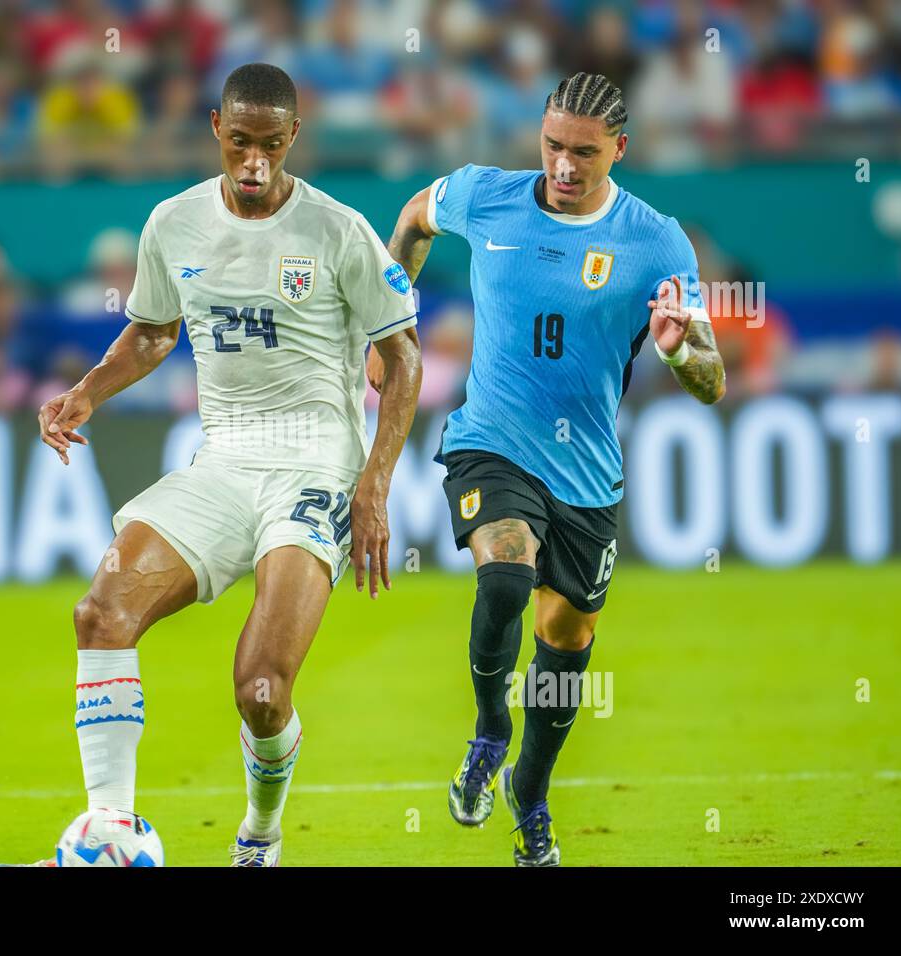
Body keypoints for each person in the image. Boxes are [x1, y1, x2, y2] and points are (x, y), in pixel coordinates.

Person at [36, 63, 422, 867]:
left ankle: (261, 831)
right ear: (216, 128)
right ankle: (109, 833)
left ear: (293, 139)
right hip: (222, 460)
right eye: (240, 143)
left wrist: (375, 479)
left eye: (271, 146)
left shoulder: (338, 230)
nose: (253, 163)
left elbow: (404, 357)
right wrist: (86, 392)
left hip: (316, 463)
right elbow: (151, 333)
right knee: (99, 613)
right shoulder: (174, 224)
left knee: (261, 691)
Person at [369, 72, 726, 867]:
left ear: (620, 151)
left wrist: (680, 349)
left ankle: (530, 794)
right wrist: (389, 324)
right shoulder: (484, 195)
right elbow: (412, 220)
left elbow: (712, 383)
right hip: (491, 440)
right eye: (553, 145)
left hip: (588, 477)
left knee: (564, 653)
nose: (564, 166)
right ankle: (490, 728)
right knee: (502, 576)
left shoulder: (657, 240)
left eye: (585, 154)